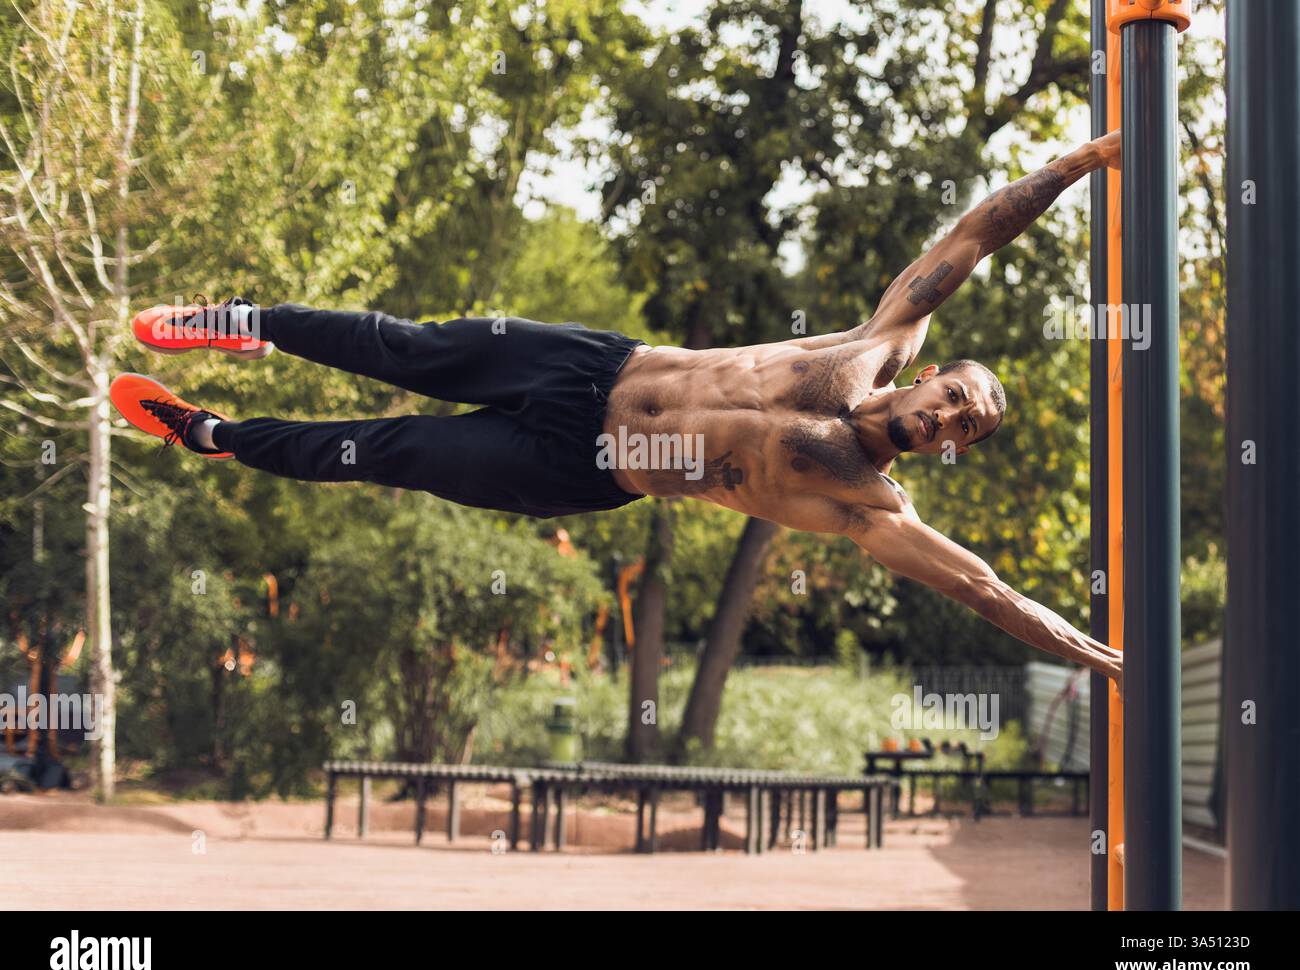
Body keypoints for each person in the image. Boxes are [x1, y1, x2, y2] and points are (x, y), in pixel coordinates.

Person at [111, 130, 1124, 681]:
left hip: (581, 472)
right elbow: (973, 237)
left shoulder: (868, 504)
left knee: (387, 450)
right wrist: (1078, 164)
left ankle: (210, 433)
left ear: (947, 449)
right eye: (950, 399)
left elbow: (985, 590)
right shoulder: (871, 345)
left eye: (960, 431)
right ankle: (243, 318)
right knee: (405, 346)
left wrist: (1100, 658)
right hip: (586, 368)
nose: (943, 421)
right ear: (926, 375)